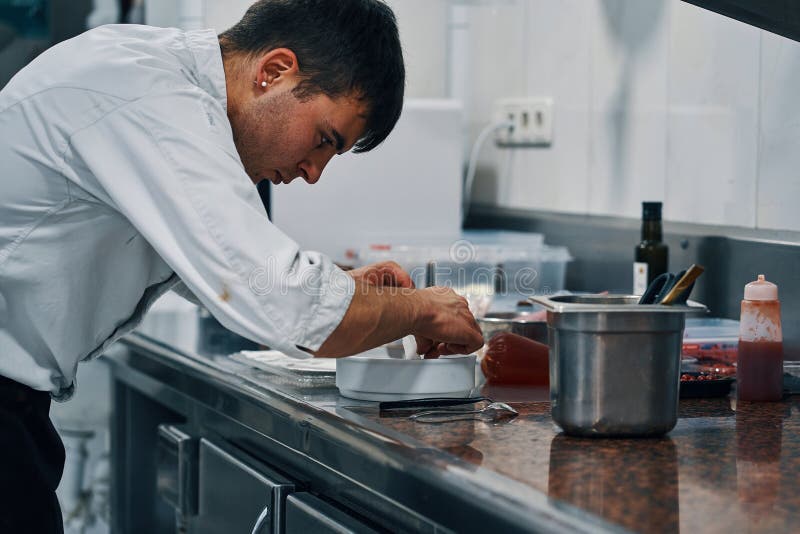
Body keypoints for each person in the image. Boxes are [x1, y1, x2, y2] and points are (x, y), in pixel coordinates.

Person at [0, 0, 484, 531]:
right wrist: (420, 309)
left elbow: (218, 262)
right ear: (274, 72)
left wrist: (351, 292)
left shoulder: (152, 77)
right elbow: (290, 308)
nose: (313, 172)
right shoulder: (150, 96)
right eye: (324, 139)